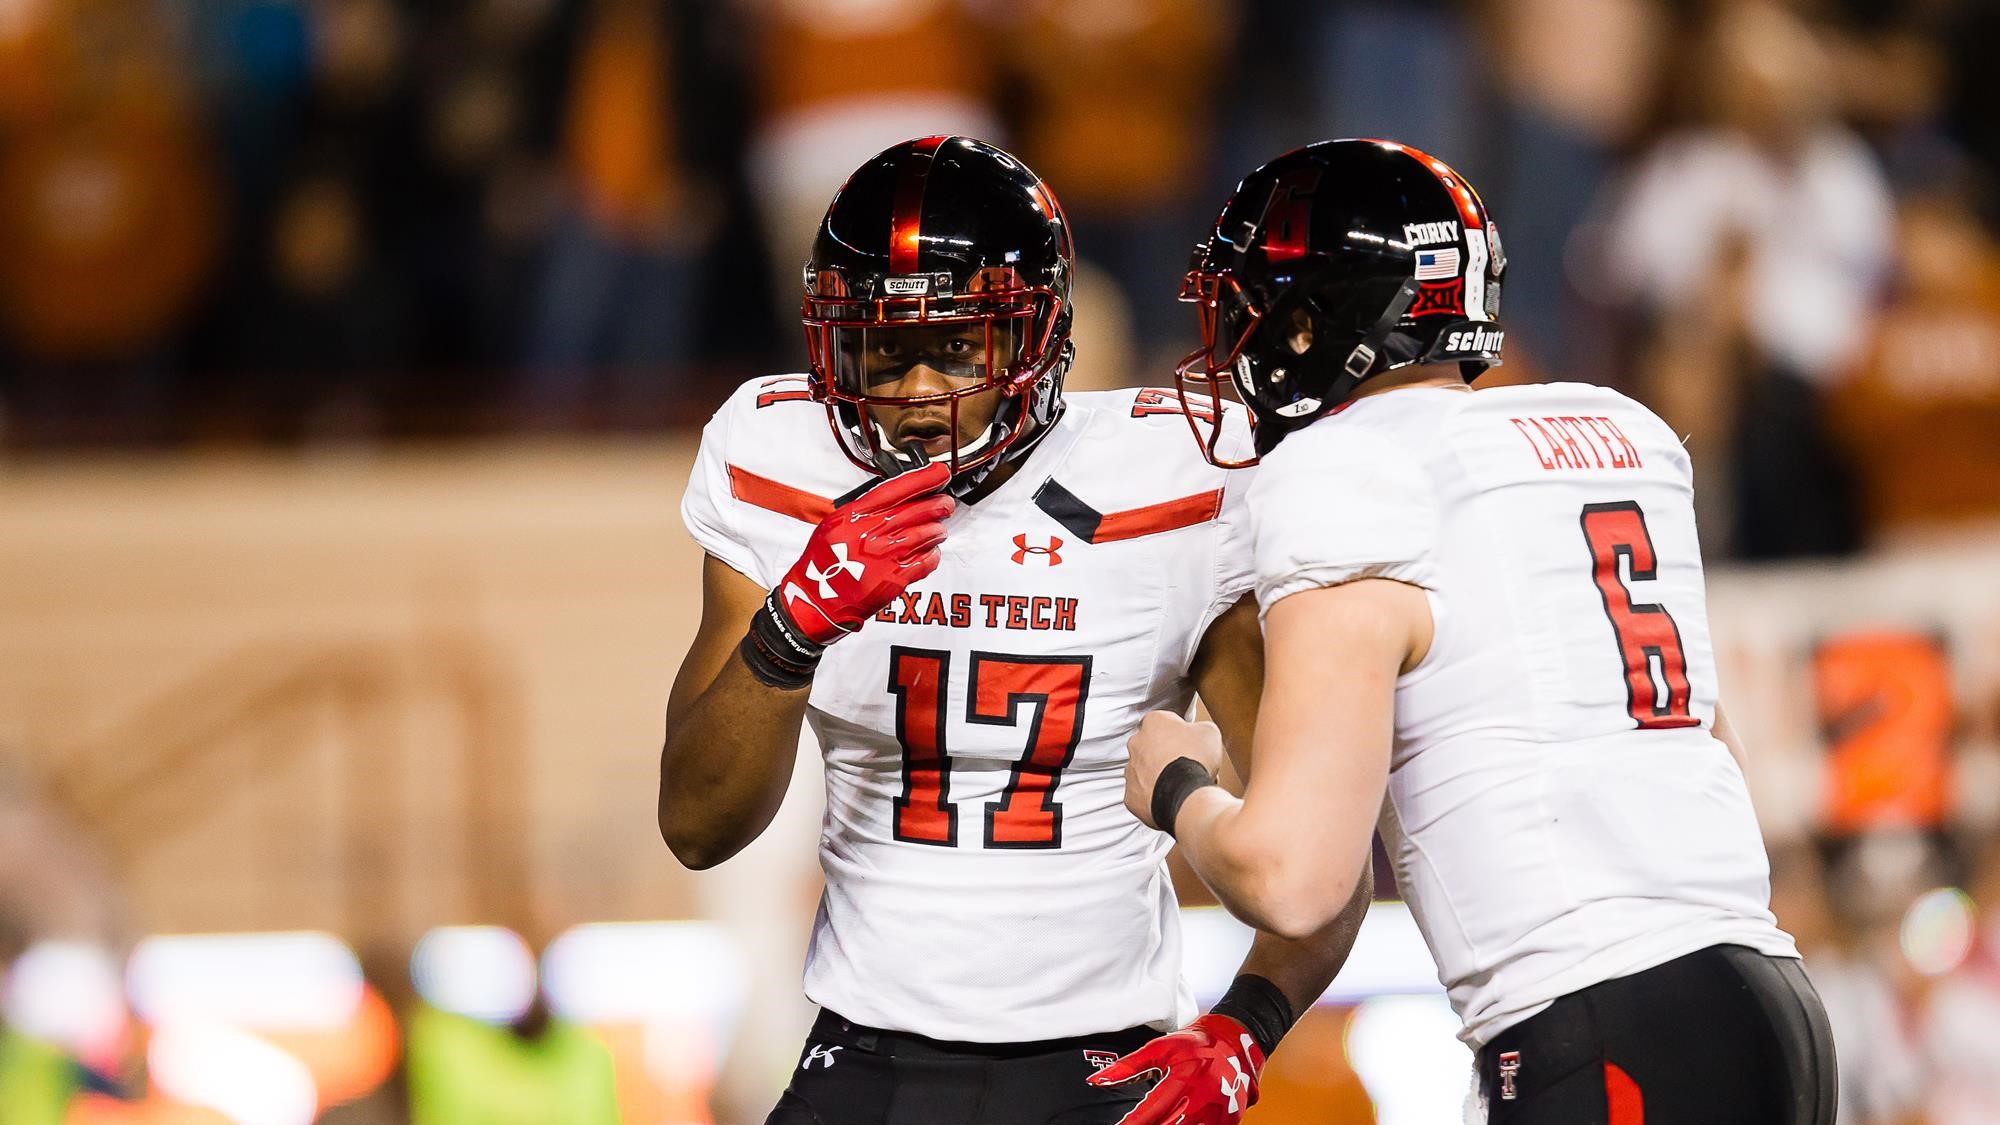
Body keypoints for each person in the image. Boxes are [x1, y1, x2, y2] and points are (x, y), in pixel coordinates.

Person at [1116, 138, 1837, 1124]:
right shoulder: (1612, 430)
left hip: (1593, 1021)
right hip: (1763, 999)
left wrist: (1175, 785)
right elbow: (1701, 744)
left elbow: (1292, 876)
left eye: (1257, 309)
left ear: (1322, 318)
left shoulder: (1346, 470)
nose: (1242, 341)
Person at [660, 135, 1370, 1125]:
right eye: (883, 348)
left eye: (956, 348)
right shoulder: (775, 457)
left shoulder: (1179, 481)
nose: (915, 393)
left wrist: (1246, 1027)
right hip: (863, 1058)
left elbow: (1319, 854)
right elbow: (696, 828)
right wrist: (792, 629)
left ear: (1037, 339)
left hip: (1103, 1066)